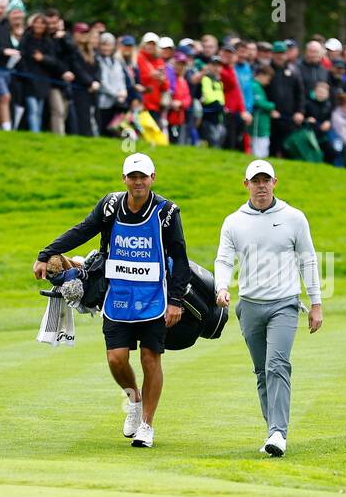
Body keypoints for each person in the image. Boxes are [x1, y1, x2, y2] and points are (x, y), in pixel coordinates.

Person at [32, 153, 189, 449]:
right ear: (124, 179)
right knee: (116, 359)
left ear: (152, 178)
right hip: (117, 297)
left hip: (154, 298)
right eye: (133, 176)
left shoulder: (166, 212)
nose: (138, 181)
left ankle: (146, 425)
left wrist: (176, 301)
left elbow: (179, 258)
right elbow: (82, 230)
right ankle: (133, 398)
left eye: (143, 176)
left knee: (149, 358)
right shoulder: (110, 206)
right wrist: (45, 253)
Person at [214, 159, 323, 457]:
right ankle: (272, 430)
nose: (261, 186)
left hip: (284, 304)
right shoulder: (233, 221)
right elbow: (224, 259)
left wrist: (316, 303)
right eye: (255, 181)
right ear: (245, 184)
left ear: (275, 182)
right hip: (249, 305)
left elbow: (308, 260)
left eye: (266, 180)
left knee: (277, 365)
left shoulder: (294, 217)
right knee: (262, 371)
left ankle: (278, 433)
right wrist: (221, 287)